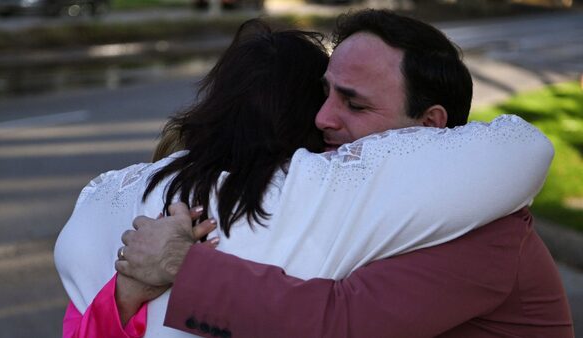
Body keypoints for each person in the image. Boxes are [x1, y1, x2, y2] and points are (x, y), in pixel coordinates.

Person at [115, 9, 574, 338]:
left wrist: (182, 265)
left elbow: (340, 322)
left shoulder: (481, 221)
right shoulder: (378, 196)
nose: (321, 119)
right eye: (326, 93)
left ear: (430, 125)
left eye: (354, 104)